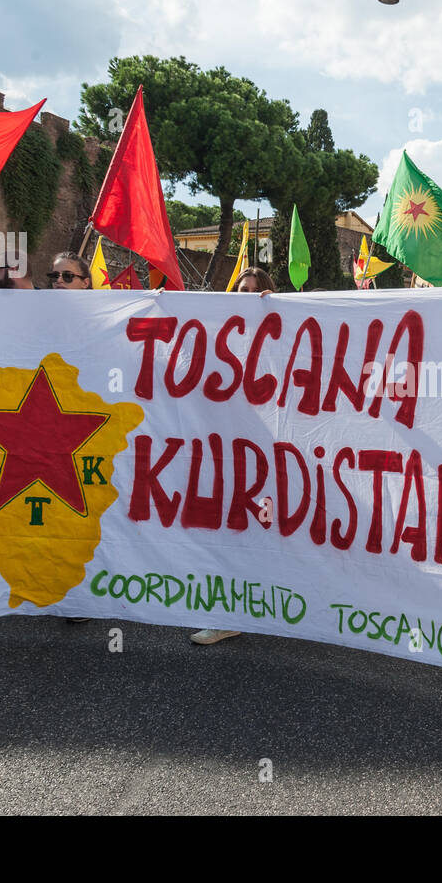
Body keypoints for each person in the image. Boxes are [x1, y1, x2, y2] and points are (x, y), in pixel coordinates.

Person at [189, 265, 277, 645]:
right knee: (230, 528)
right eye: (242, 290)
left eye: (258, 291)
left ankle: (286, 603)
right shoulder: (220, 336)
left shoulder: (283, 337)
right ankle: (228, 614)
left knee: (268, 530)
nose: (249, 296)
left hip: (274, 454)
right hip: (228, 451)